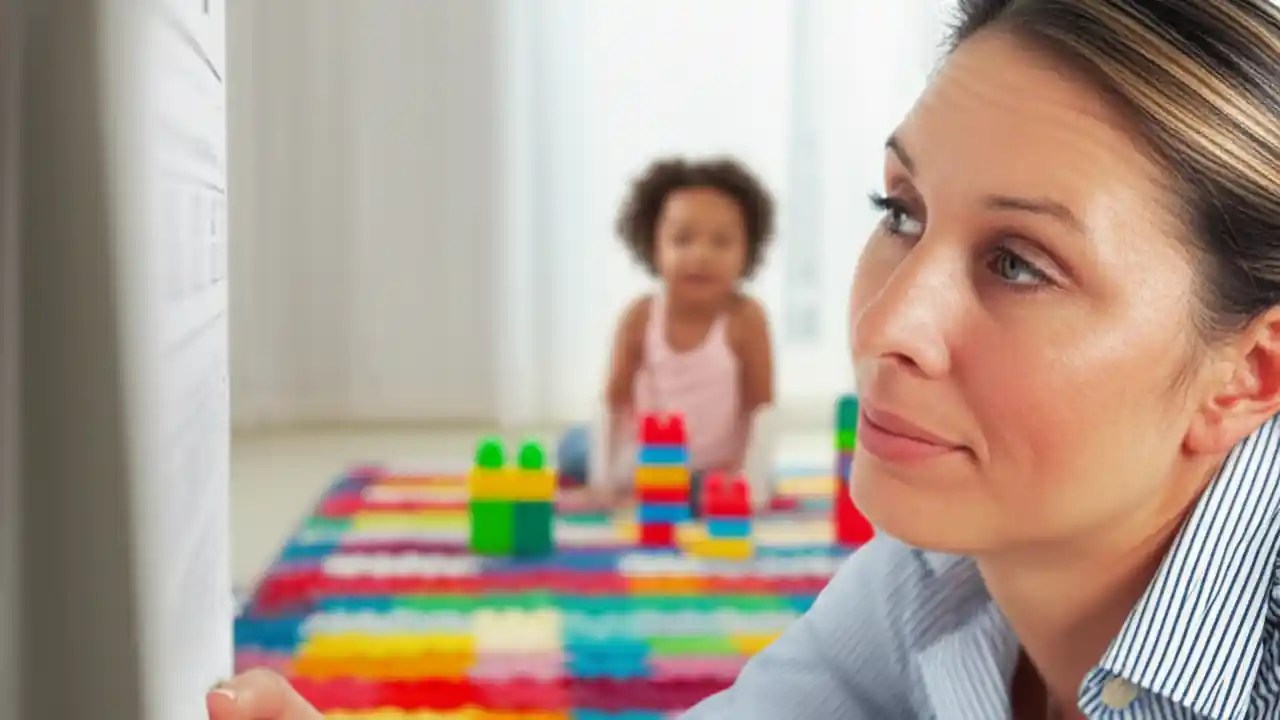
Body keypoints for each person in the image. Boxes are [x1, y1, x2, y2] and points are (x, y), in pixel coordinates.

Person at [209, 0, 1280, 718]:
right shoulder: (932, 577)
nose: (883, 325)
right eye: (898, 212)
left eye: (1017, 263)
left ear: (1246, 376)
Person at [557, 157, 778, 514]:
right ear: (652, 244)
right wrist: (603, 485)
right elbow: (612, 403)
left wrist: (751, 486)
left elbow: (762, 409)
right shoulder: (641, 316)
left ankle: (678, 494)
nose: (700, 255)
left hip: (713, 466)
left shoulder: (745, 319)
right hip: (645, 462)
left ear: (748, 251)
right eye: (681, 240)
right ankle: (648, 490)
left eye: (721, 242)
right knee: (572, 447)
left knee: (731, 485)